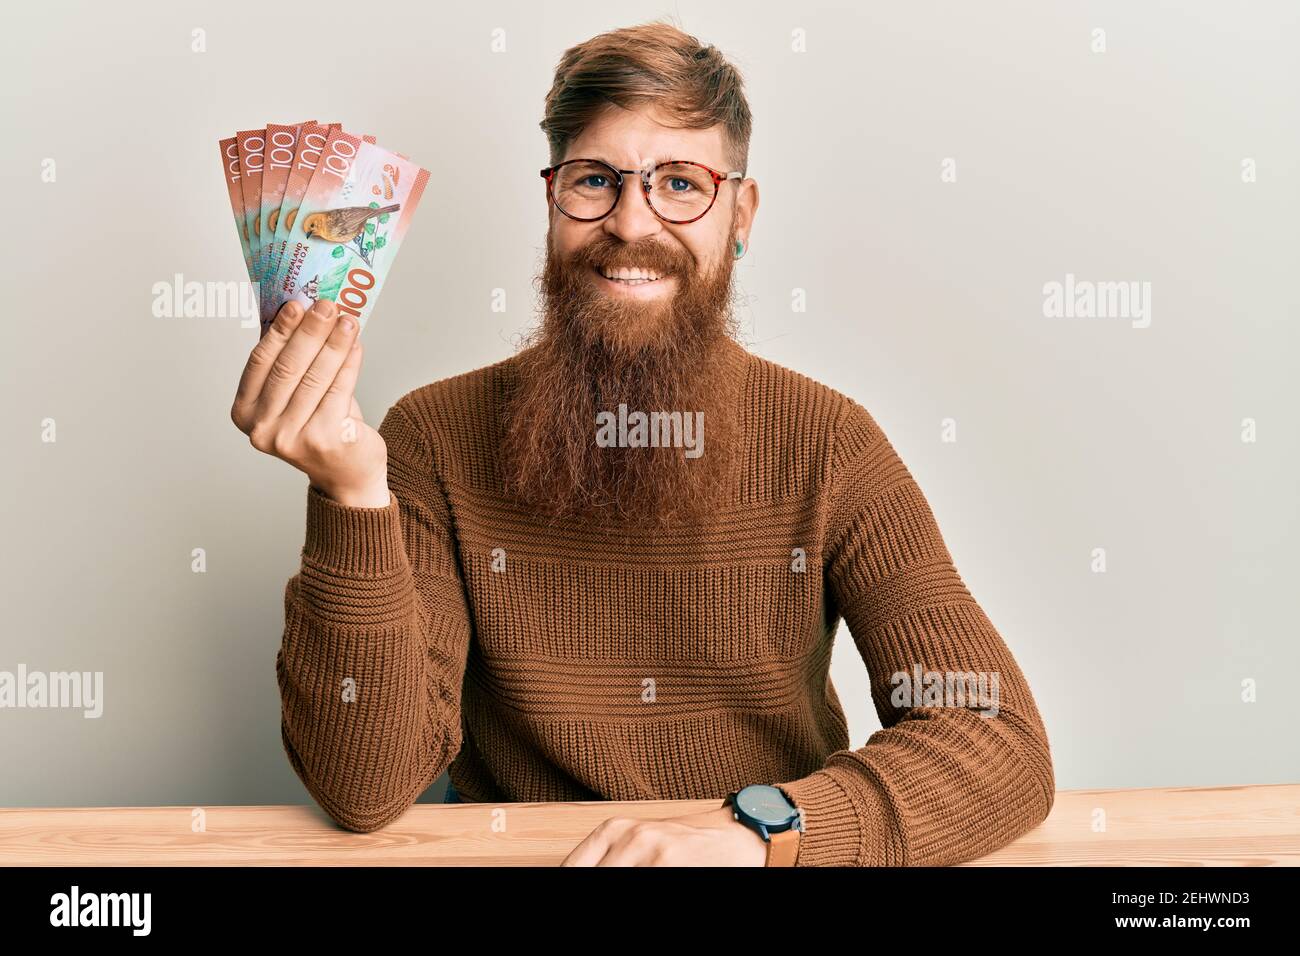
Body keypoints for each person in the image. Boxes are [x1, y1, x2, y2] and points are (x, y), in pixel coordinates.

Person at [230, 20, 1054, 867]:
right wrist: (352, 497)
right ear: (551, 200)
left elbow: (999, 740)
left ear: (742, 212)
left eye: (680, 183)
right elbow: (363, 788)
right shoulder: (434, 437)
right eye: (595, 181)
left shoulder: (830, 442)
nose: (631, 223)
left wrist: (757, 831)